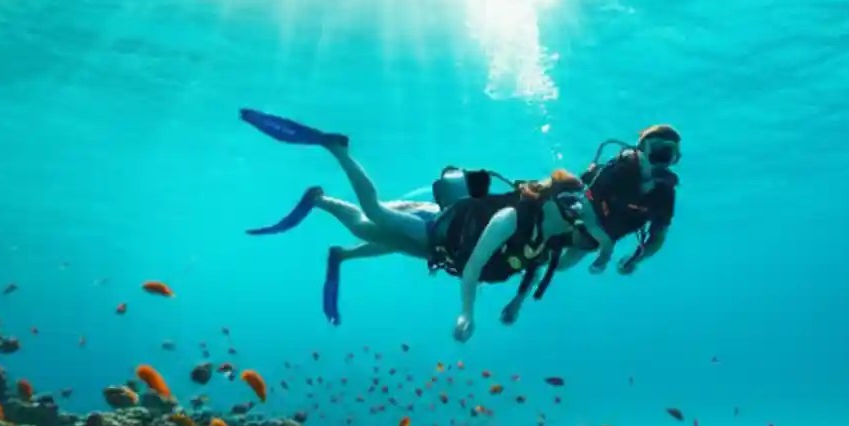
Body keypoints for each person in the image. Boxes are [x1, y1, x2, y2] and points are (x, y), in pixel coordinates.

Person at [239, 109, 601, 341]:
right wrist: (467, 313)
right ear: (551, 202)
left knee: (370, 233)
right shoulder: (512, 219)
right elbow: (473, 268)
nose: (577, 218)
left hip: (438, 248)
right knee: (374, 214)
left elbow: (534, 270)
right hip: (434, 226)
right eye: (571, 206)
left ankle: (323, 209)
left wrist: (517, 304)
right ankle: (339, 150)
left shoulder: (549, 243)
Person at [560, 124, 680, 275]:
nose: (663, 154)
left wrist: (635, 259)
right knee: (562, 255)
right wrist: (606, 249)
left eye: (670, 151)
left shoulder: (665, 193)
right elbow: (586, 197)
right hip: (585, 221)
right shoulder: (616, 171)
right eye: (658, 147)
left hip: (605, 234)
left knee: (563, 263)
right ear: (642, 146)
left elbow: (658, 235)